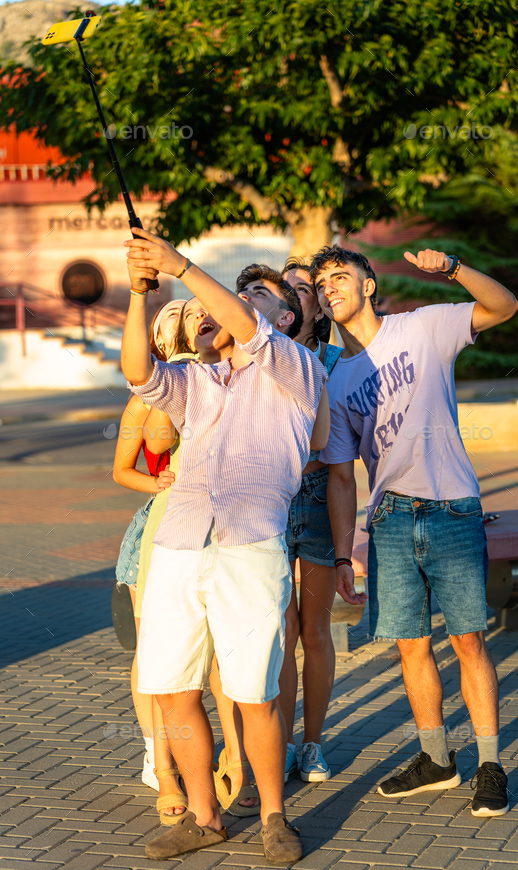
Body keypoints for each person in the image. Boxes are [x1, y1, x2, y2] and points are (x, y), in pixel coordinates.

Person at [121, 228, 327, 865]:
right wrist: (139, 293)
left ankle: (272, 817)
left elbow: (245, 325)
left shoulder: (296, 368)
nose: (238, 301)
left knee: (254, 694)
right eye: (237, 292)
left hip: (250, 548)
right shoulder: (195, 378)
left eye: (257, 294)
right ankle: (205, 818)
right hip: (180, 547)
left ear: (286, 316)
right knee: (174, 688)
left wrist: (182, 264)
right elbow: (137, 372)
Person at [312, 244, 518, 818]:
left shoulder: (425, 327)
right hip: (389, 521)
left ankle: (490, 765)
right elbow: (340, 477)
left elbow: (504, 306)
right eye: (321, 283)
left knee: (468, 640)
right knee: (410, 646)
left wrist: (453, 268)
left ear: (369, 284)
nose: (330, 288)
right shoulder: (336, 376)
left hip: (451, 508)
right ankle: (437, 759)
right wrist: (339, 552)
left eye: (340, 276)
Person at [141, 297, 260, 820]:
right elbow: (148, 446)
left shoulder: (242, 376)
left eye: (201, 312)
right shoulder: (169, 382)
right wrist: (175, 380)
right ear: (171, 340)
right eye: (185, 318)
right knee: (160, 665)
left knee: (229, 665)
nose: (199, 319)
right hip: (170, 529)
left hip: (235, 533)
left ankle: (237, 759)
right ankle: (165, 770)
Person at [249, 259, 341, 784]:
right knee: (280, 630)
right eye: (295, 287)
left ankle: (313, 743)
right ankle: (278, 744)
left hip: (320, 495)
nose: (302, 295)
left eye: (308, 289)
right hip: (273, 498)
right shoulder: (256, 355)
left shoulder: (333, 357)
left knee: (316, 628)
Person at [113, 299, 185, 816]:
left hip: (208, 528)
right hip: (153, 529)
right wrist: (157, 480)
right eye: (179, 320)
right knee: (150, 650)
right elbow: (123, 469)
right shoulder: (144, 400)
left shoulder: (222, 381)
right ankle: (153, 748)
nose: (191, 323)